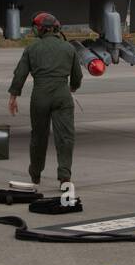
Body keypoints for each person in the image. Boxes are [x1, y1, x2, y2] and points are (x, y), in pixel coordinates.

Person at [8, 12, 83, 189]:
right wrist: (71, 88)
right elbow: (77, 76)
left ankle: (35, 175)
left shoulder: (32, 48)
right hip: (62, 95)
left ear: (41, 29)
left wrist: (13, 96)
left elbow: (20, 74)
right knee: (65, 137)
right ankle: (64, 176)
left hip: (40, 95)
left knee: (38, 137)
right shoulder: (68, 48)